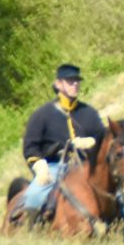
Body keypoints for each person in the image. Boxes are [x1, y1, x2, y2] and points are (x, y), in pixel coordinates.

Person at [17, 64, 106, 218]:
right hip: (53, 166)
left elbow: (104, 140)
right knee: (33, 196)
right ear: (58, 84)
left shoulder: (89, 113)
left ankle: (120, 232)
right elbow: (30, 146)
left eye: (77, 80)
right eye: (70, 80)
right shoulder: (42, 114)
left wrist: (92, 142)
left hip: (85, 166)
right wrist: (39, 165)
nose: (75, 84)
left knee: (117, 197)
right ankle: (32, 232)